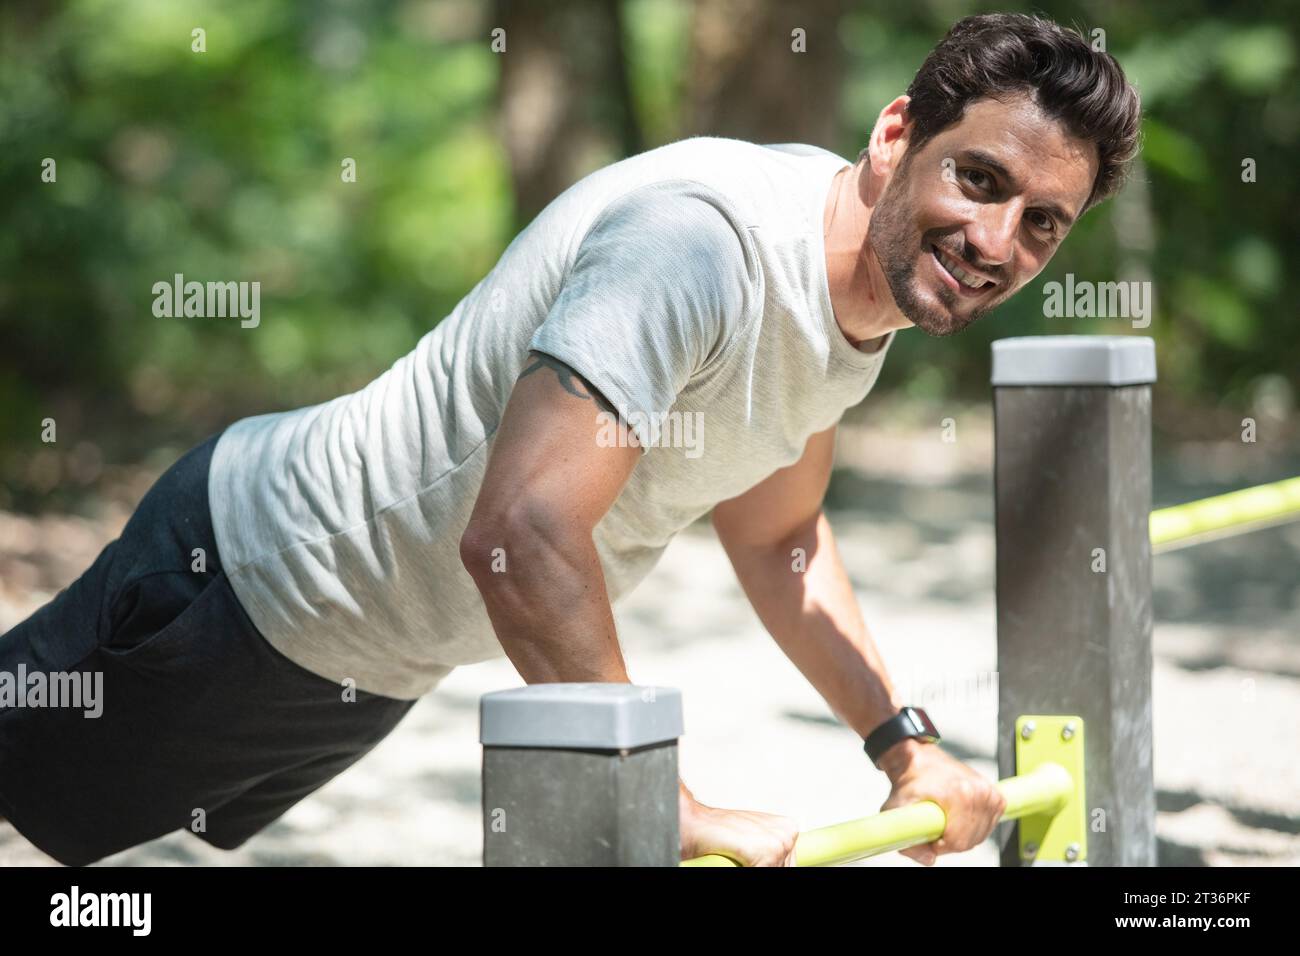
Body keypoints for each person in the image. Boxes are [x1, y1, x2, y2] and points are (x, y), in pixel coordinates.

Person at [0, 12, 1140, 867]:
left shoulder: (854, 290)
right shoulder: (700, 246)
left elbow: (779, 530)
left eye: (1040, 223)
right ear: (898, 132)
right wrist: (652, 795)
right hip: (255, 577)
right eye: (977, 179)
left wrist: (905, 745)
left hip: (368, 663)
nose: (995, 239)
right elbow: (520, 531)